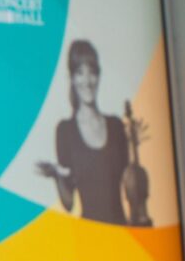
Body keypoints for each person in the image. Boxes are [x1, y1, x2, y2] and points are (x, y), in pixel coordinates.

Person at [35, 40, 130, 224]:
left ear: (99, 76)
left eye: (92, 72)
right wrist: (56, 175)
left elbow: (131, 189)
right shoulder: (64, 131)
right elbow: (69, 203)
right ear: (71, 78)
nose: (87, 81)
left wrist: (135, 146)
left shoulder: (116, 126)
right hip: (88, 238)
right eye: (80, 73)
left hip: (123, 235)